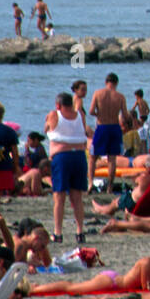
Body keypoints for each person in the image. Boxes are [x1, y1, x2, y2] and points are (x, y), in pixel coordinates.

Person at [30, 241, 150, 295]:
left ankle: (38, 287)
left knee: (73, 287)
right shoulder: (147, 263)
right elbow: (146, 288)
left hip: (115, 282)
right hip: (111, 282)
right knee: (73, 288)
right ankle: (37, 288)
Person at [43, 91, 90, 243]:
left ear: (58, 105)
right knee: (77, 197)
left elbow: (46, 129)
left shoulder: (54, 114)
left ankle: (58, 232)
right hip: (79, 156)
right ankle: (80, 231)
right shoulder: (80, 115)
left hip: (62, 156)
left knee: (59, 197)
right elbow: (83, 130)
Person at [88, 72, 131, 195]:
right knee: (112, 159)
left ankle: (90, 183)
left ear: (106, 82)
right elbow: (125, 115)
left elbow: (91, 111)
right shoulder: (120, 96)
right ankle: (110, 187)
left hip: (101, 127)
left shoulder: (98, 93)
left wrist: (99, 115)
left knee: (92, 157)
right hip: (115, 127)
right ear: (116, 83)